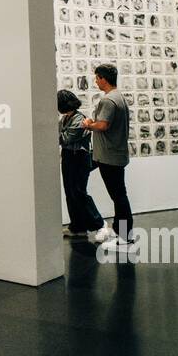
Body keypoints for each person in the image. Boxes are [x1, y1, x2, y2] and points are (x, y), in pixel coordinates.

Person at [80, 63, 134, 251]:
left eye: (97, 78)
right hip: (116, 153)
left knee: (118, 196)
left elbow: (103, 125)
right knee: (119, 195)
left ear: (103, 78)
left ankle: (125, 237)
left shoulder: (108, 100)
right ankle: (122, 234)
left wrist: (88, 124)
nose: (95, 81)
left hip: (109, 156)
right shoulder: (119, 97)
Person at [57, 90, 113, 243]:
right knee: (70, 192)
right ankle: (78, 227)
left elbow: (65, 138)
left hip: (79, 158)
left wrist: (57, 134)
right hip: (68, 157)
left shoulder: (78, 119)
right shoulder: (65, 119)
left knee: (79, 192)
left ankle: (100, 224)